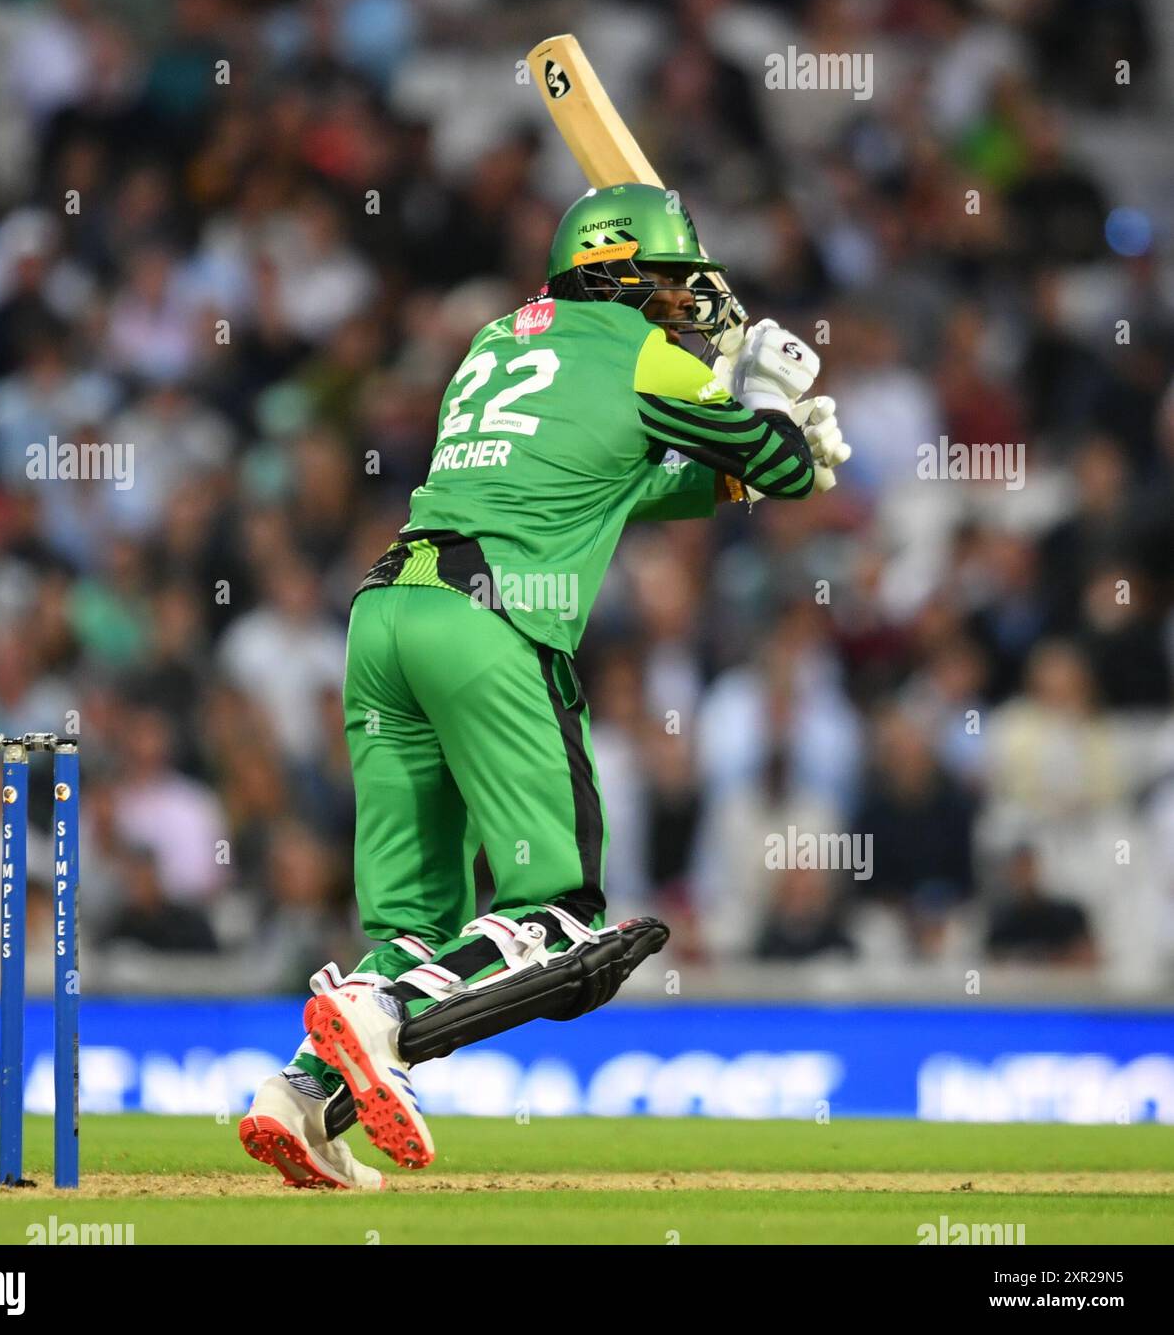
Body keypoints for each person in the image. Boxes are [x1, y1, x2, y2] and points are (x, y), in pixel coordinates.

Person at [239, 183, 852, 1189]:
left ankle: (298, 1099)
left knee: (414, 926)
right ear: (617, 272)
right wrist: (773, 403)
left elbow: (616, 480)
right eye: (663, 282)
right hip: (488, 623)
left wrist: (748, 455)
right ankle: (378, 1015)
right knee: (554, 910)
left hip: (386, 615)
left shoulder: (492, 343)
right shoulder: (642, 350)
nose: (679, 303)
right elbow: (780, 470)